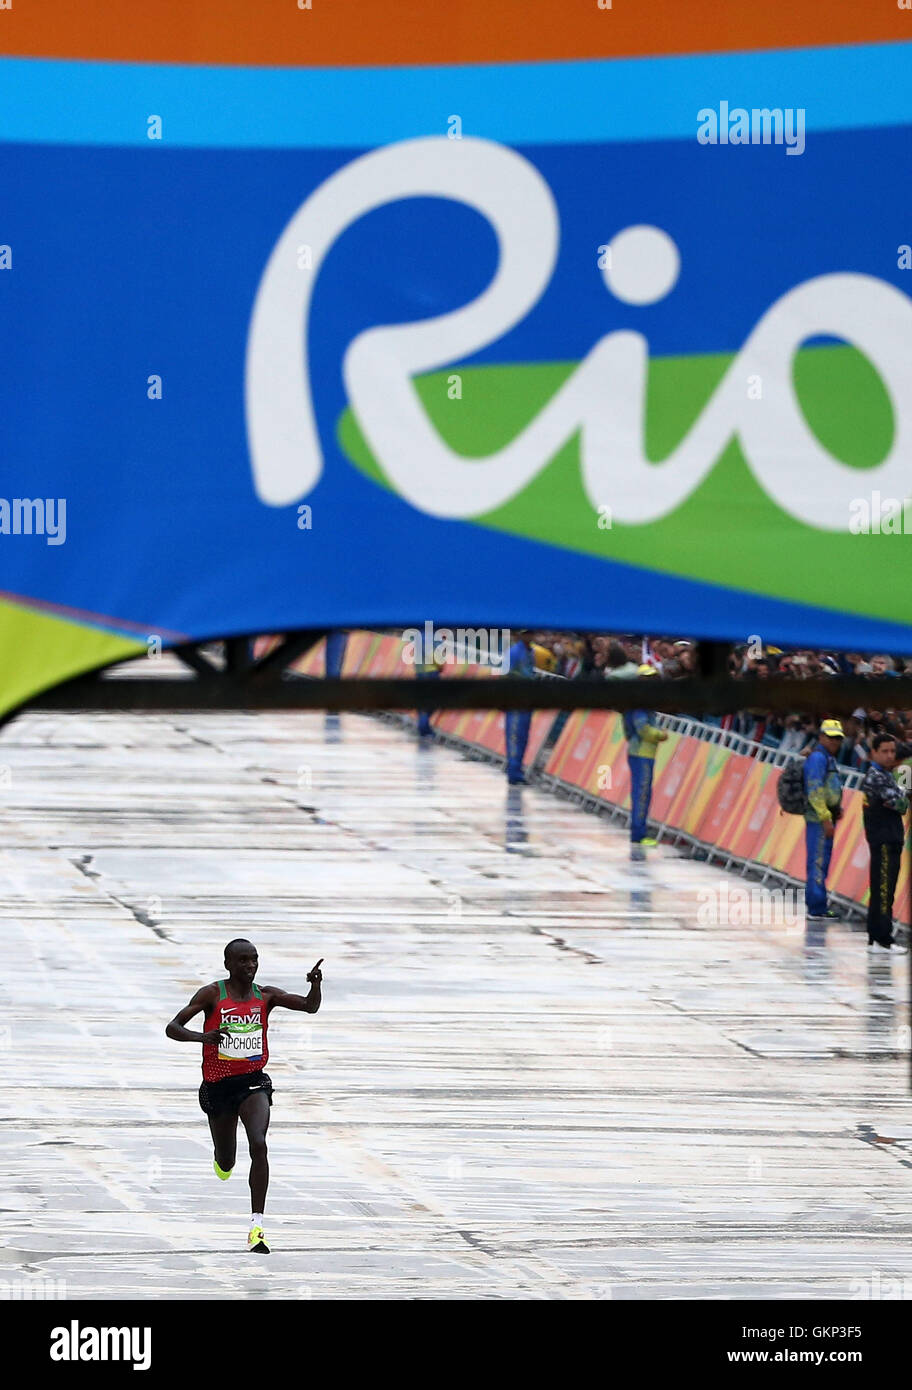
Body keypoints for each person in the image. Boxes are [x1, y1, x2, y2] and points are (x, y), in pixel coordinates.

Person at [166, 939, 323, 1253]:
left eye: (254, 960)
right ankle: (222, 1160)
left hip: (253, 1083)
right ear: (228, 965)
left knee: (259, 1143)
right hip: (218, 1088)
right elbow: (172, 1027)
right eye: (243, 961)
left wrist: (316, 986)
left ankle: (257, 1227)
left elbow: (309, 1006)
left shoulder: (266, 996)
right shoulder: (211, 995)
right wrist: (203, 1036)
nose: (250, 966)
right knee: (227, 1160)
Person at [861, 734, 910, 953]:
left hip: (891, 839)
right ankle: (882, 938)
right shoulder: (876, 777)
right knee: (882, 889)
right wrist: (903, 797)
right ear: (874, 753)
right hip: (882, 839)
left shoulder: (887, 775)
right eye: (885, 751)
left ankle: (877, 936)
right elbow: (899, 804)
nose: (890, 755)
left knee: (886, 889)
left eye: (893, 751)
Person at [622, 665, 669, 860]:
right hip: (642, 752)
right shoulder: (640, 703)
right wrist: (660, 735)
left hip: (643, 753)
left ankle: (639, 832)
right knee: (641, 793)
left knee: (643, 792)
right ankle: (638, 834)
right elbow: (643, 729)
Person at [803, 719, 845, 920]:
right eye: (831, 737)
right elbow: (815, 790)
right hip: (819, 820)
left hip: (826, 817)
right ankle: (816, 908)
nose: (835, 742)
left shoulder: (827, 757)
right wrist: (825, 818)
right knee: (817, 862)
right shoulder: (819, 758)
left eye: (838, 738)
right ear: (821, 737)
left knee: (821, 862)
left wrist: (837, 807)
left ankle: (818, 905)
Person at [504, 629, 535, 784]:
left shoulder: (532, 652)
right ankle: (513, 771)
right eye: (527, 633)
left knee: (523, 736)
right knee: (515, 736)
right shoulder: (514, 652)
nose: (531, 636)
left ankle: (518, 768)